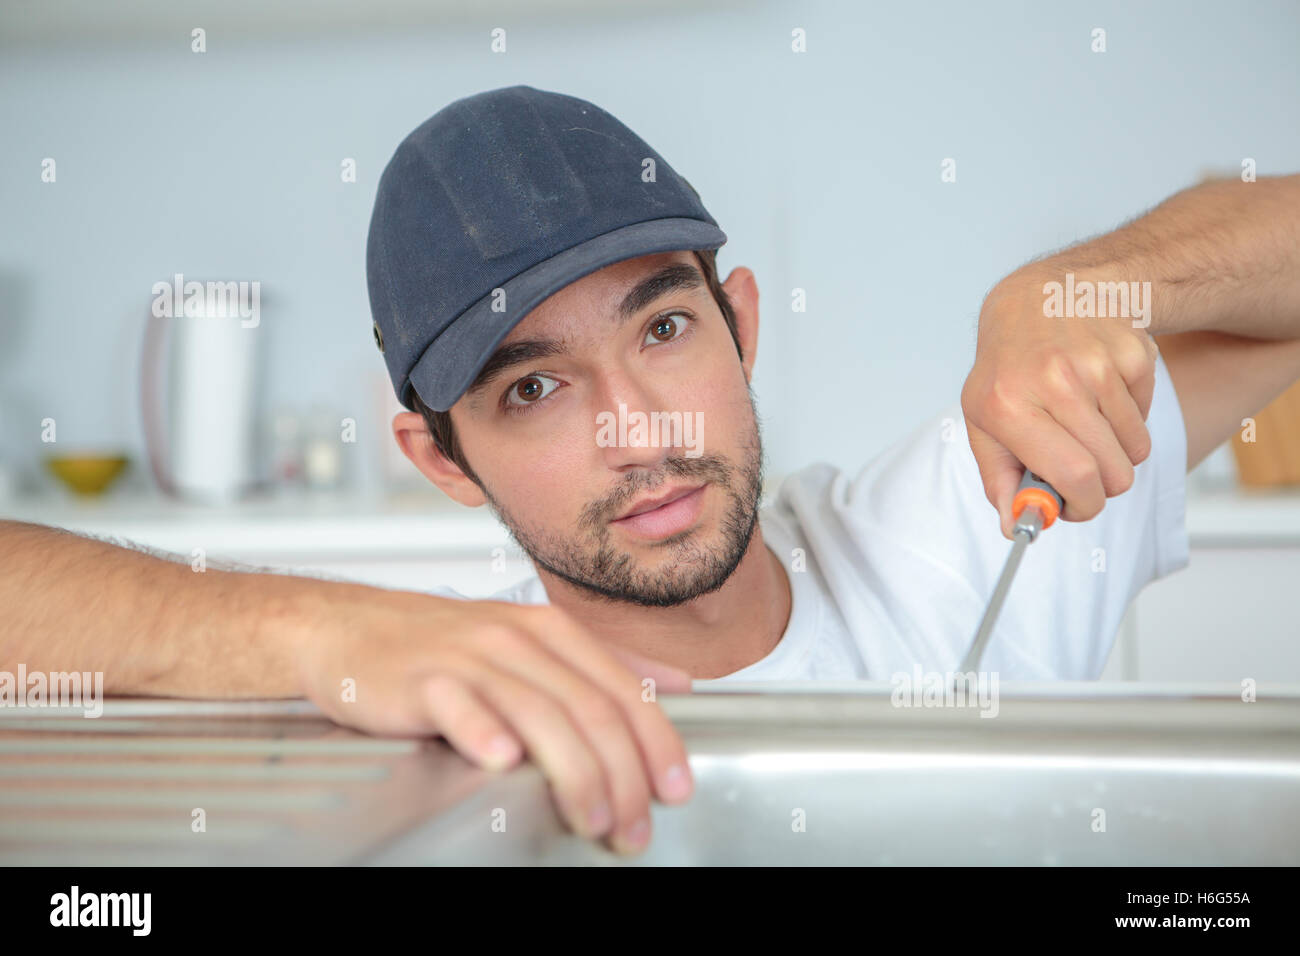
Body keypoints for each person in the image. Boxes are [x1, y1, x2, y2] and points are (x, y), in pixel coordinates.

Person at [3, 85, 1299, 857]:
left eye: (663, 329)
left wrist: (1068, 292)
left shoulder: (966, 528)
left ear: (740, 321)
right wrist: (302, 624)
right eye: (534, 388)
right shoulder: (467, 717)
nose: (634, 428)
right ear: (441, 460)